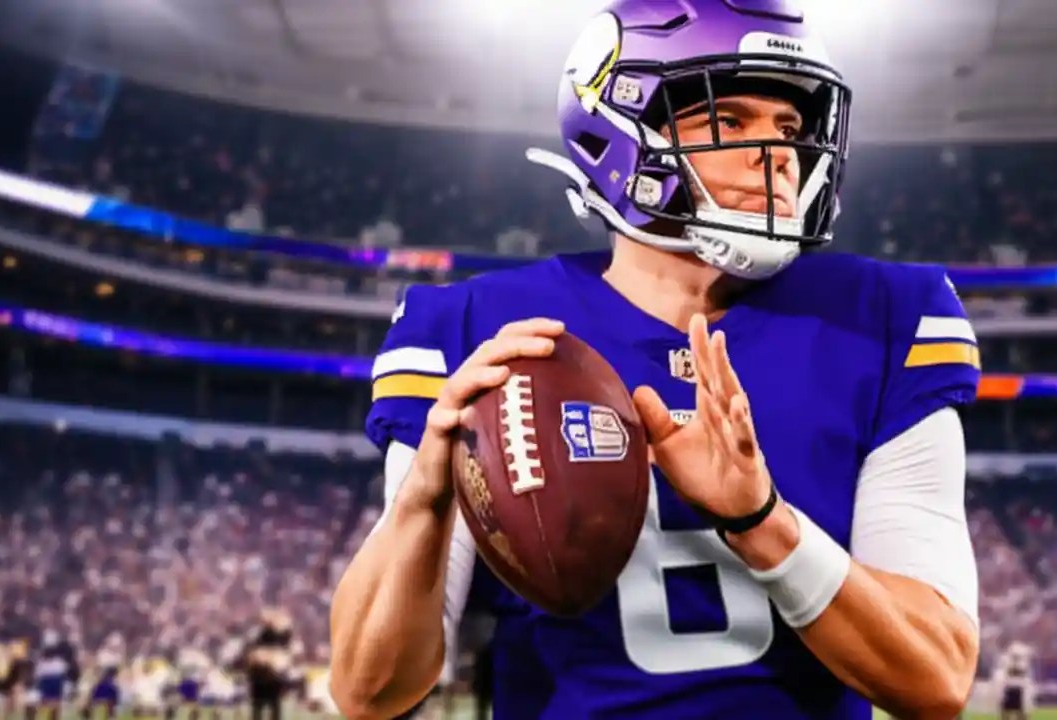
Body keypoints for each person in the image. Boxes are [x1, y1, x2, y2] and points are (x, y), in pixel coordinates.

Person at [330, 1, 981, 718]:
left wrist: (761, 520)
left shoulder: (883, 316)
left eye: (789, 127)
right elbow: (370, 691)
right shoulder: (476, 331)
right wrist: (425, 498)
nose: (780, 155)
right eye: (729, 120)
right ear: (617, 133)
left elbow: (937, 678)